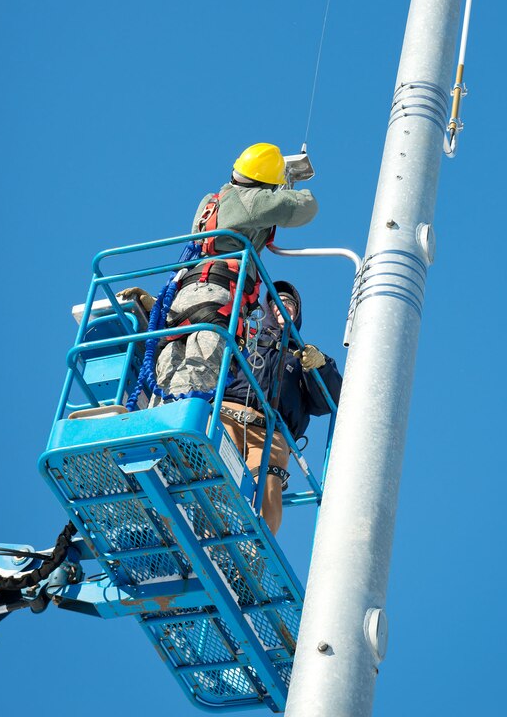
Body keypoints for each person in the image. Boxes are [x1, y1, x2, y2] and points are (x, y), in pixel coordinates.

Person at [120, 143, 318, 403]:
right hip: (220, 293)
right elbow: (306, 207)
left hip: (187, 292)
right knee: (201, 365)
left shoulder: (211, 200)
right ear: (267, 181)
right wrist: (287, 189)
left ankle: (160, 419)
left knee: (171, 360)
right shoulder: (254, 201)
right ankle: (183, 426)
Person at [220, 280, 342, 535]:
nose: (282, 308)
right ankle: (207, 533)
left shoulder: (303, 354)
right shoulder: (243, 336)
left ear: (297, 312)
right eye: (276, 302)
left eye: (289, 303)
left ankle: (254, 556)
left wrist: (318, 367)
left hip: (270, 433)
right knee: (215, 471)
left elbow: (329, 400)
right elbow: (206, 341)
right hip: (228, 415)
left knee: (267, 489)